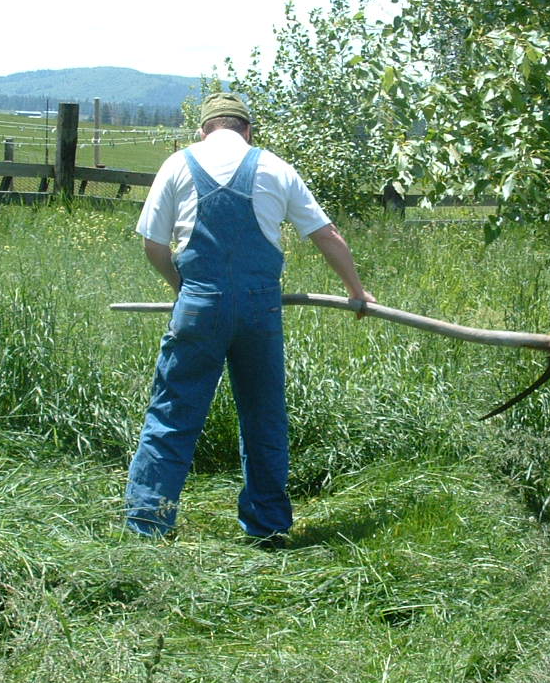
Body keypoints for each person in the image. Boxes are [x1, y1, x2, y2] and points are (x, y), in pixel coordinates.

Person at [125, 92, 375, 544]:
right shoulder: (275, 167)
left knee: (172, 415)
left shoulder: (178, 165)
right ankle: (268, 527)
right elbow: (327, 235)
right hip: (261, 310)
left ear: (203, 130)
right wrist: (357, 292)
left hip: (198, 307)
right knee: (263, 417)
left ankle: (148, 527)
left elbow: (153, 246)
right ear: (247, 130)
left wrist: (184, 291)